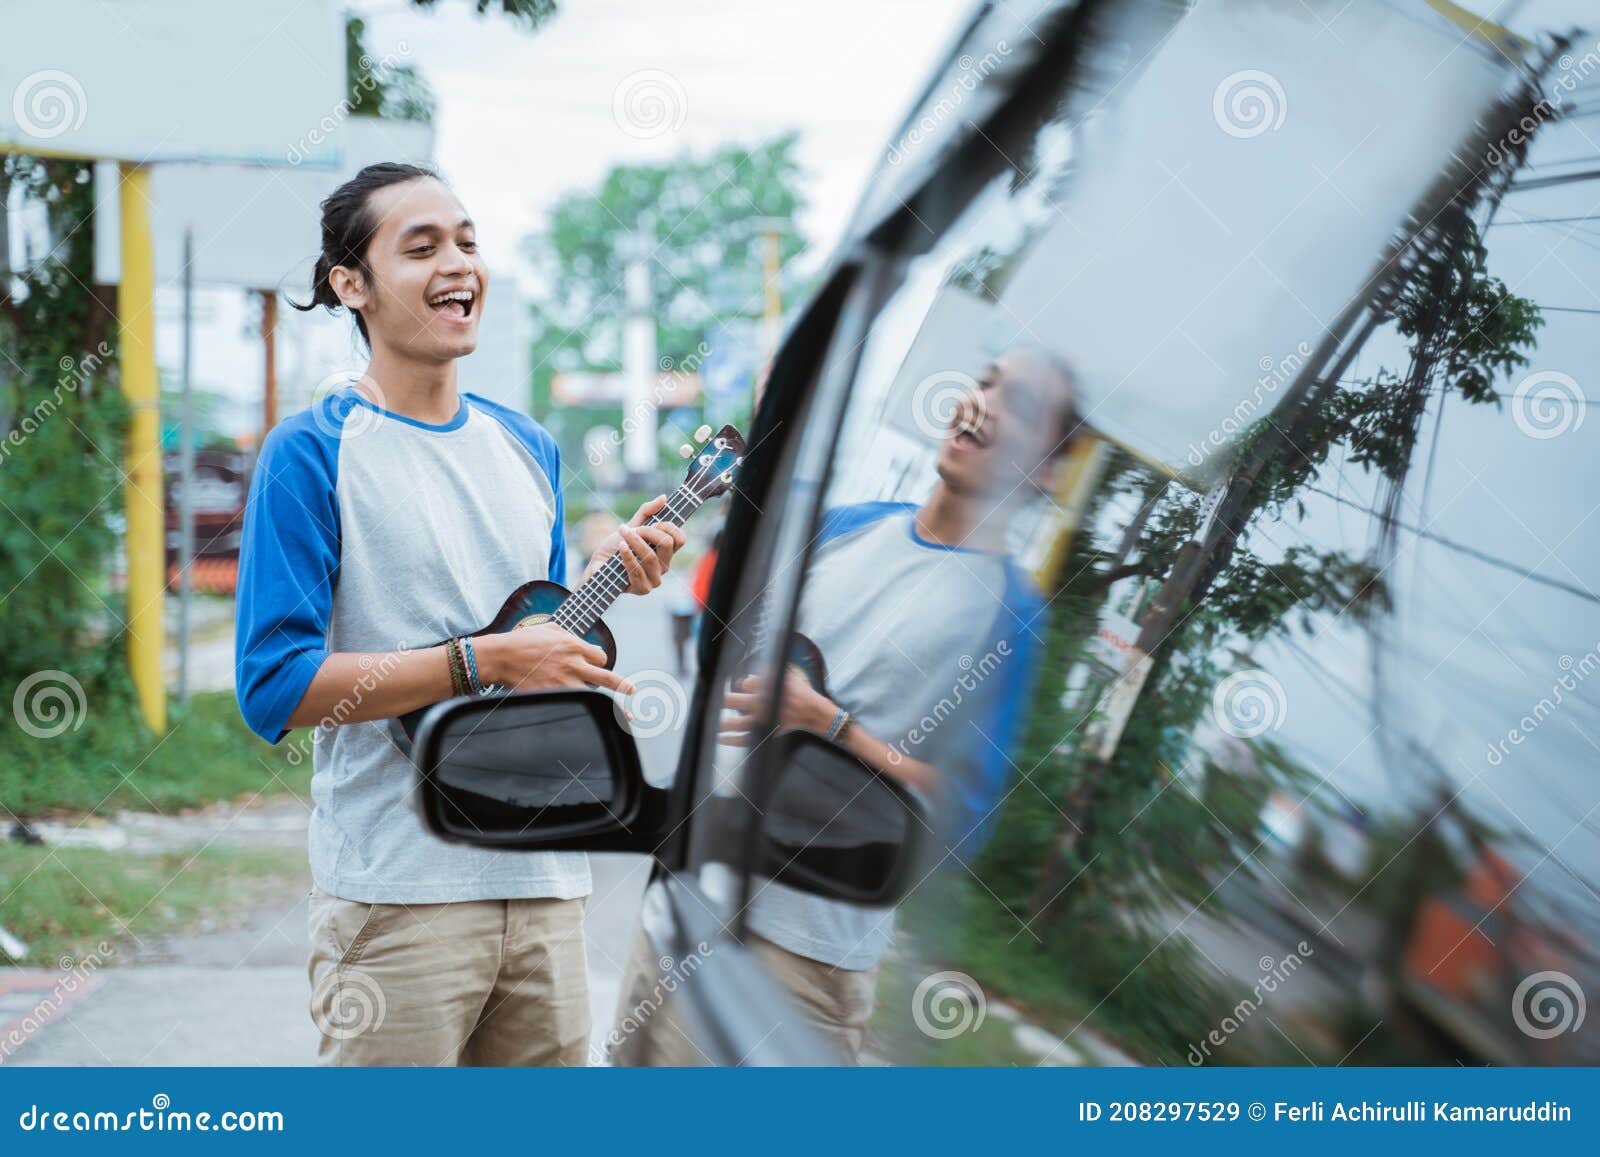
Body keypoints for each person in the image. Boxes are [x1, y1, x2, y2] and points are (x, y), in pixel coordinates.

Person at [234, 162, 684, 1066]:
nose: (460, 263)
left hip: (551, 884)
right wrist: (480, 663)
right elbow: (273, 688)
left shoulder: (529, 447)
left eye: (469, 241)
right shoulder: (312, 450)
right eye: (423, 245)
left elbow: (536, 644)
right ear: (350, 283)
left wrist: (601, 590)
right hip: (400, 896)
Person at [713, 346, 1084, 1061]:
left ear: (1045, 470)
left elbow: (961, 823)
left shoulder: (1010, 612)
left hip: (808, 961)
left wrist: (831, 726)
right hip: (695, 896)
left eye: (1022, 405)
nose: (983, 402)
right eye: (984, 381)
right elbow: (728, 651)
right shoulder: (845, 526)